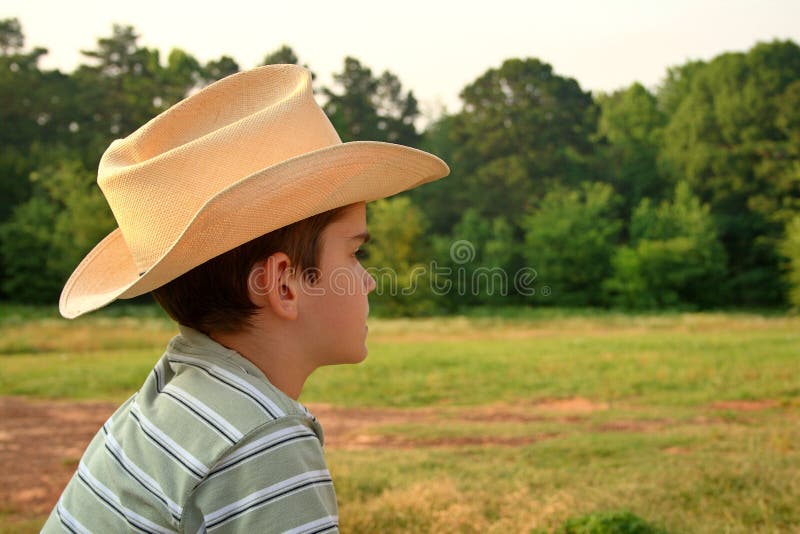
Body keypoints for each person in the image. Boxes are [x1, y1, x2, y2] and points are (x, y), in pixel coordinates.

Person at [42, 64, 449, 533]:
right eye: (356, 252)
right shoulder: (259, 442)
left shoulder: (169, 402)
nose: (369, 280)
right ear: (282, 285)